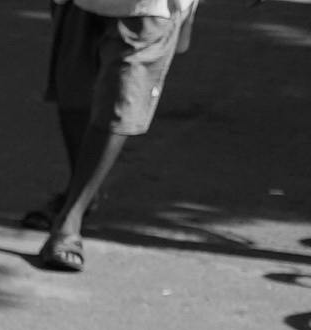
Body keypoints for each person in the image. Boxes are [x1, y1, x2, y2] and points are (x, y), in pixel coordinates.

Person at [28, 0, 198, 272]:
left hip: (146, 8)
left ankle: (69, 221)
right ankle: (81, 192)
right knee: (73, 91)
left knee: (119, 102)